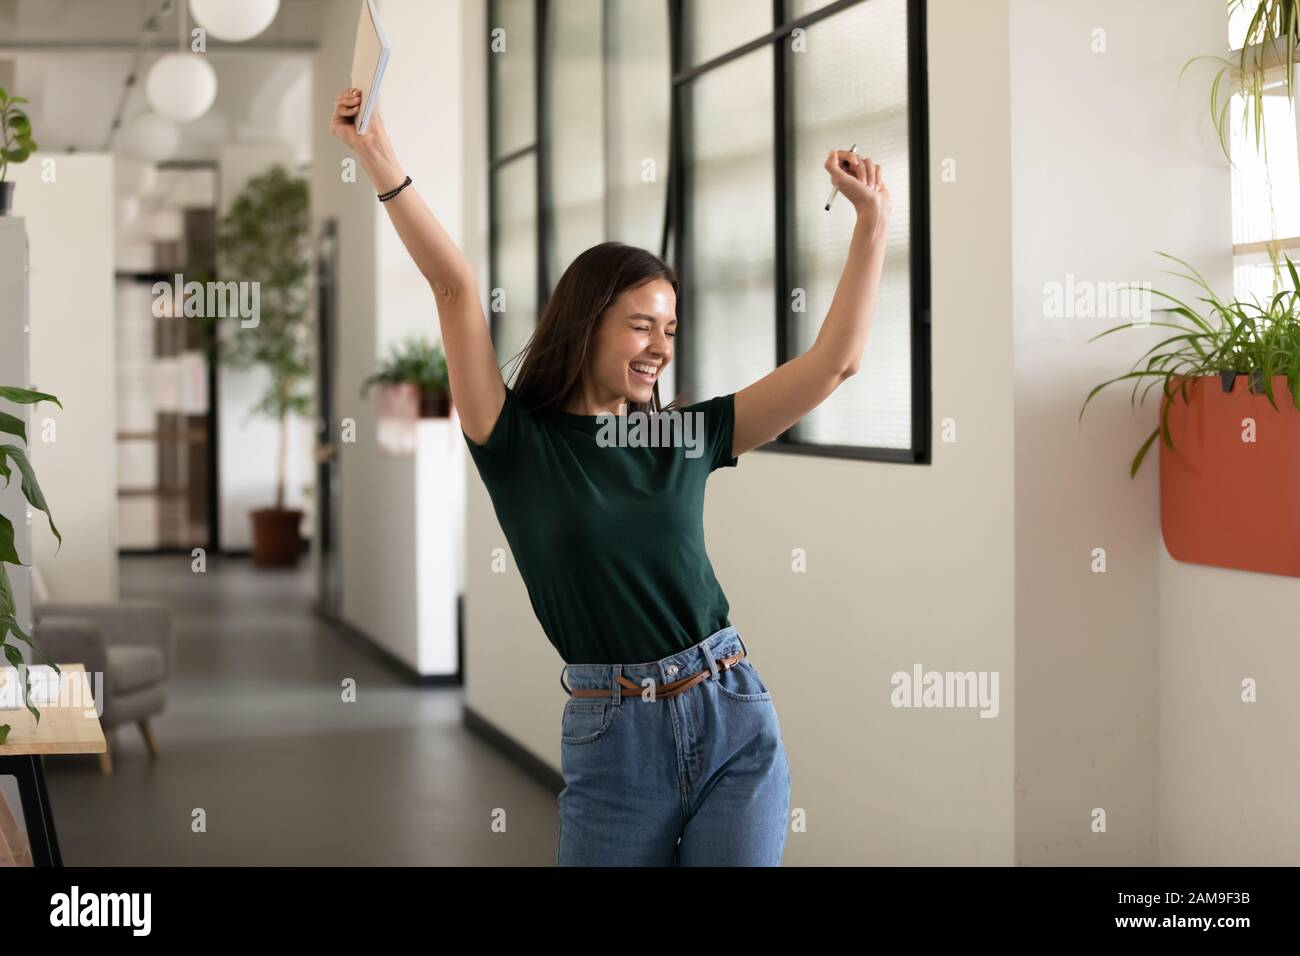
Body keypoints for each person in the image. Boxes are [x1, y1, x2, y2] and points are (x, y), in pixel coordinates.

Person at [329, 87, 891, 866]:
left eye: (670, 327)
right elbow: (455, 286)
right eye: (640, 324)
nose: (661, 344)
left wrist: (872, 222)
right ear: (587, 322)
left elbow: (836, 363)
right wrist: (378, 157)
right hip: (612, 737)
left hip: (731, 713)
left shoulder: (685, 435)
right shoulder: (516, 441)